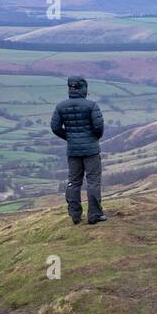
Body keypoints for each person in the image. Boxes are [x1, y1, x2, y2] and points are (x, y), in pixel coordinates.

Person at [50, 75, 106, 224]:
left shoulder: (61, 107)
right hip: (91, 150)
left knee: (74, 182)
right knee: (93, 181)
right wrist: (94, 138)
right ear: (84, 88)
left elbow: (55, 128)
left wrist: (69, 137)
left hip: (73, 150)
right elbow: (99, 127)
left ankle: (75, 215)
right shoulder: (92, 105)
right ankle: (94, 214)